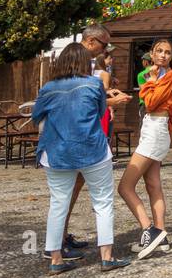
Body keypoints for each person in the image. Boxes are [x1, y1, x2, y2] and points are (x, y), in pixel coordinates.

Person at [31, 43, 130, 274]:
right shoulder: (94, 84)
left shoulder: (48, 88)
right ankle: (107, 257)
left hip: (57, 152)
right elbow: (99, 111)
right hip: (92, 150)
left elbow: (36, 117)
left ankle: (55, 259)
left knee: (58, 204)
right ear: (86, 62)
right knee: (103, 203)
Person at [55, 24, 130, 259]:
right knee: (68, 193)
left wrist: (106, 96)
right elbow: (75, 101)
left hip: (78, 137)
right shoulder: (75, 62)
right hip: (74, 139)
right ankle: (56, 245)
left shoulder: (84, 65)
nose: (105, 49)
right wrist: (110, 103)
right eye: (103, 44)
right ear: (90, 41)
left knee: (73, 190)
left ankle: (61, 237)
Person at [118, 39, 172, 259]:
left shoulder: (170, 76)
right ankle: (161, 234)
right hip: (153, 128)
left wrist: (150, 82)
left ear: (171, 56)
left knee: (125, 187)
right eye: (159, 51)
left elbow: (151, 102)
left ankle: (149, 229)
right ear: (152, 54)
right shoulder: (157, 76)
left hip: (156, 128)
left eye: (167, 52)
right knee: (153, 185)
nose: (163, 55)